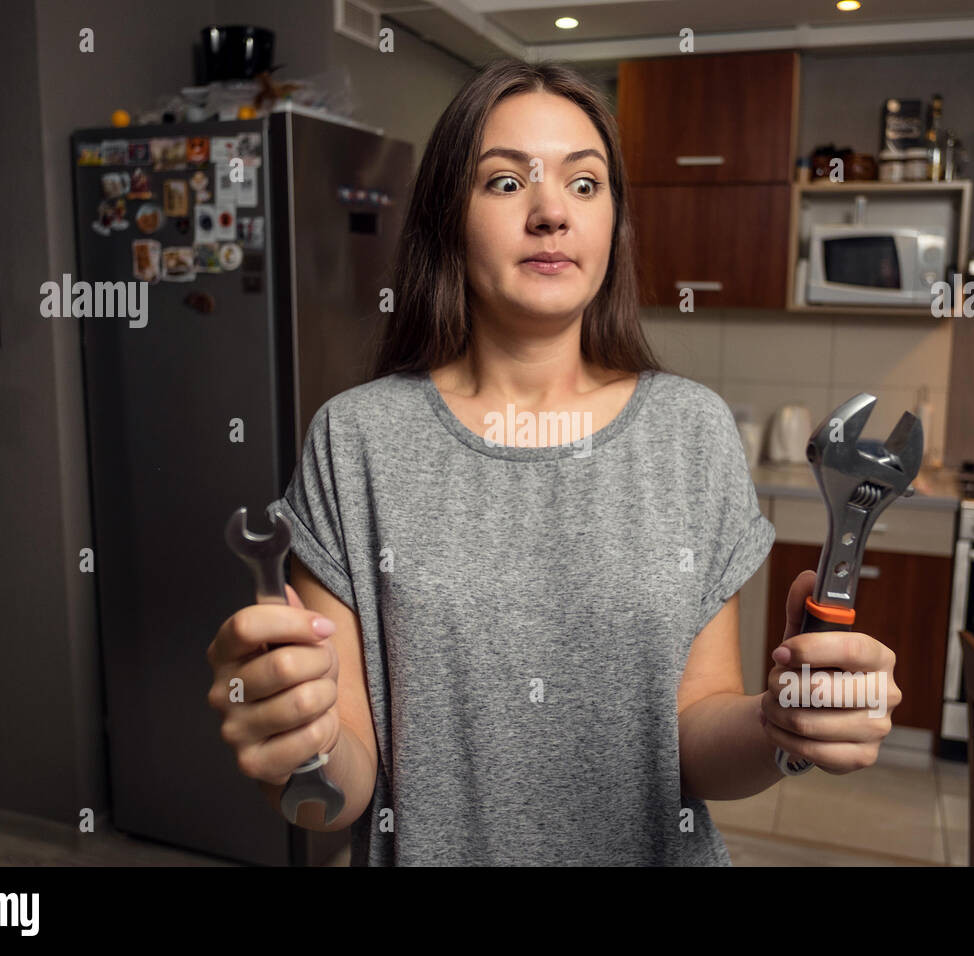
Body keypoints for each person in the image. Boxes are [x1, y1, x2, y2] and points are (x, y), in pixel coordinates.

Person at [205, 57, 901, 866]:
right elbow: (338, 794)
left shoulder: (692, 433)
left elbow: (695, 741)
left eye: (584, 183)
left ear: (613, 223)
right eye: (505, 182)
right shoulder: (355, 439)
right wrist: (297, 739)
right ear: (447, 218)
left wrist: (780, 725)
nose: (551, 213)